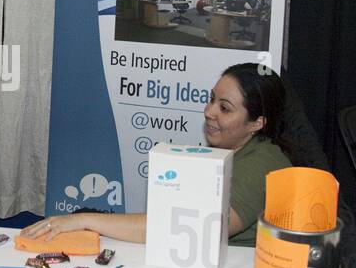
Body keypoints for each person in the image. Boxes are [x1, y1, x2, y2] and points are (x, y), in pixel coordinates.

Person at [22, 63, 292, 247]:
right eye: (211, 100)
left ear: (257, 123)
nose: (209, 112)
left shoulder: (263, 164)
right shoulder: (226, 153)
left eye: (225, 108)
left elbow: (190, 229)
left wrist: (84, 220)